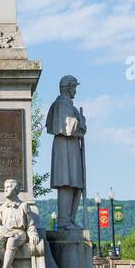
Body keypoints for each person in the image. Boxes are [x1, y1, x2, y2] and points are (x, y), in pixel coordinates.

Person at [45, 74, 86, 228]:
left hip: (71, 145)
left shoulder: (68, 104)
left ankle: (69, 220)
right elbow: (70, 127)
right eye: (74, 87)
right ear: (69, 88)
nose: (75, 91)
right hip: (66, 146)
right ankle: (64, 221)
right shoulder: (62, 105)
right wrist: (81, 121)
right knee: (66, 181)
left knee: (74, 183)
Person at [0, 178, 43, 268]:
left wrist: (33, 234)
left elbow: (30, 224)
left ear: (16, 189)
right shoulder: (3, 207)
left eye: (8, 187)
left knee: (12, 241)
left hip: (19, 232)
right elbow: (0, 223)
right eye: (4, 187)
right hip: (6, 231)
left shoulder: (23, 206)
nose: (5, 189)